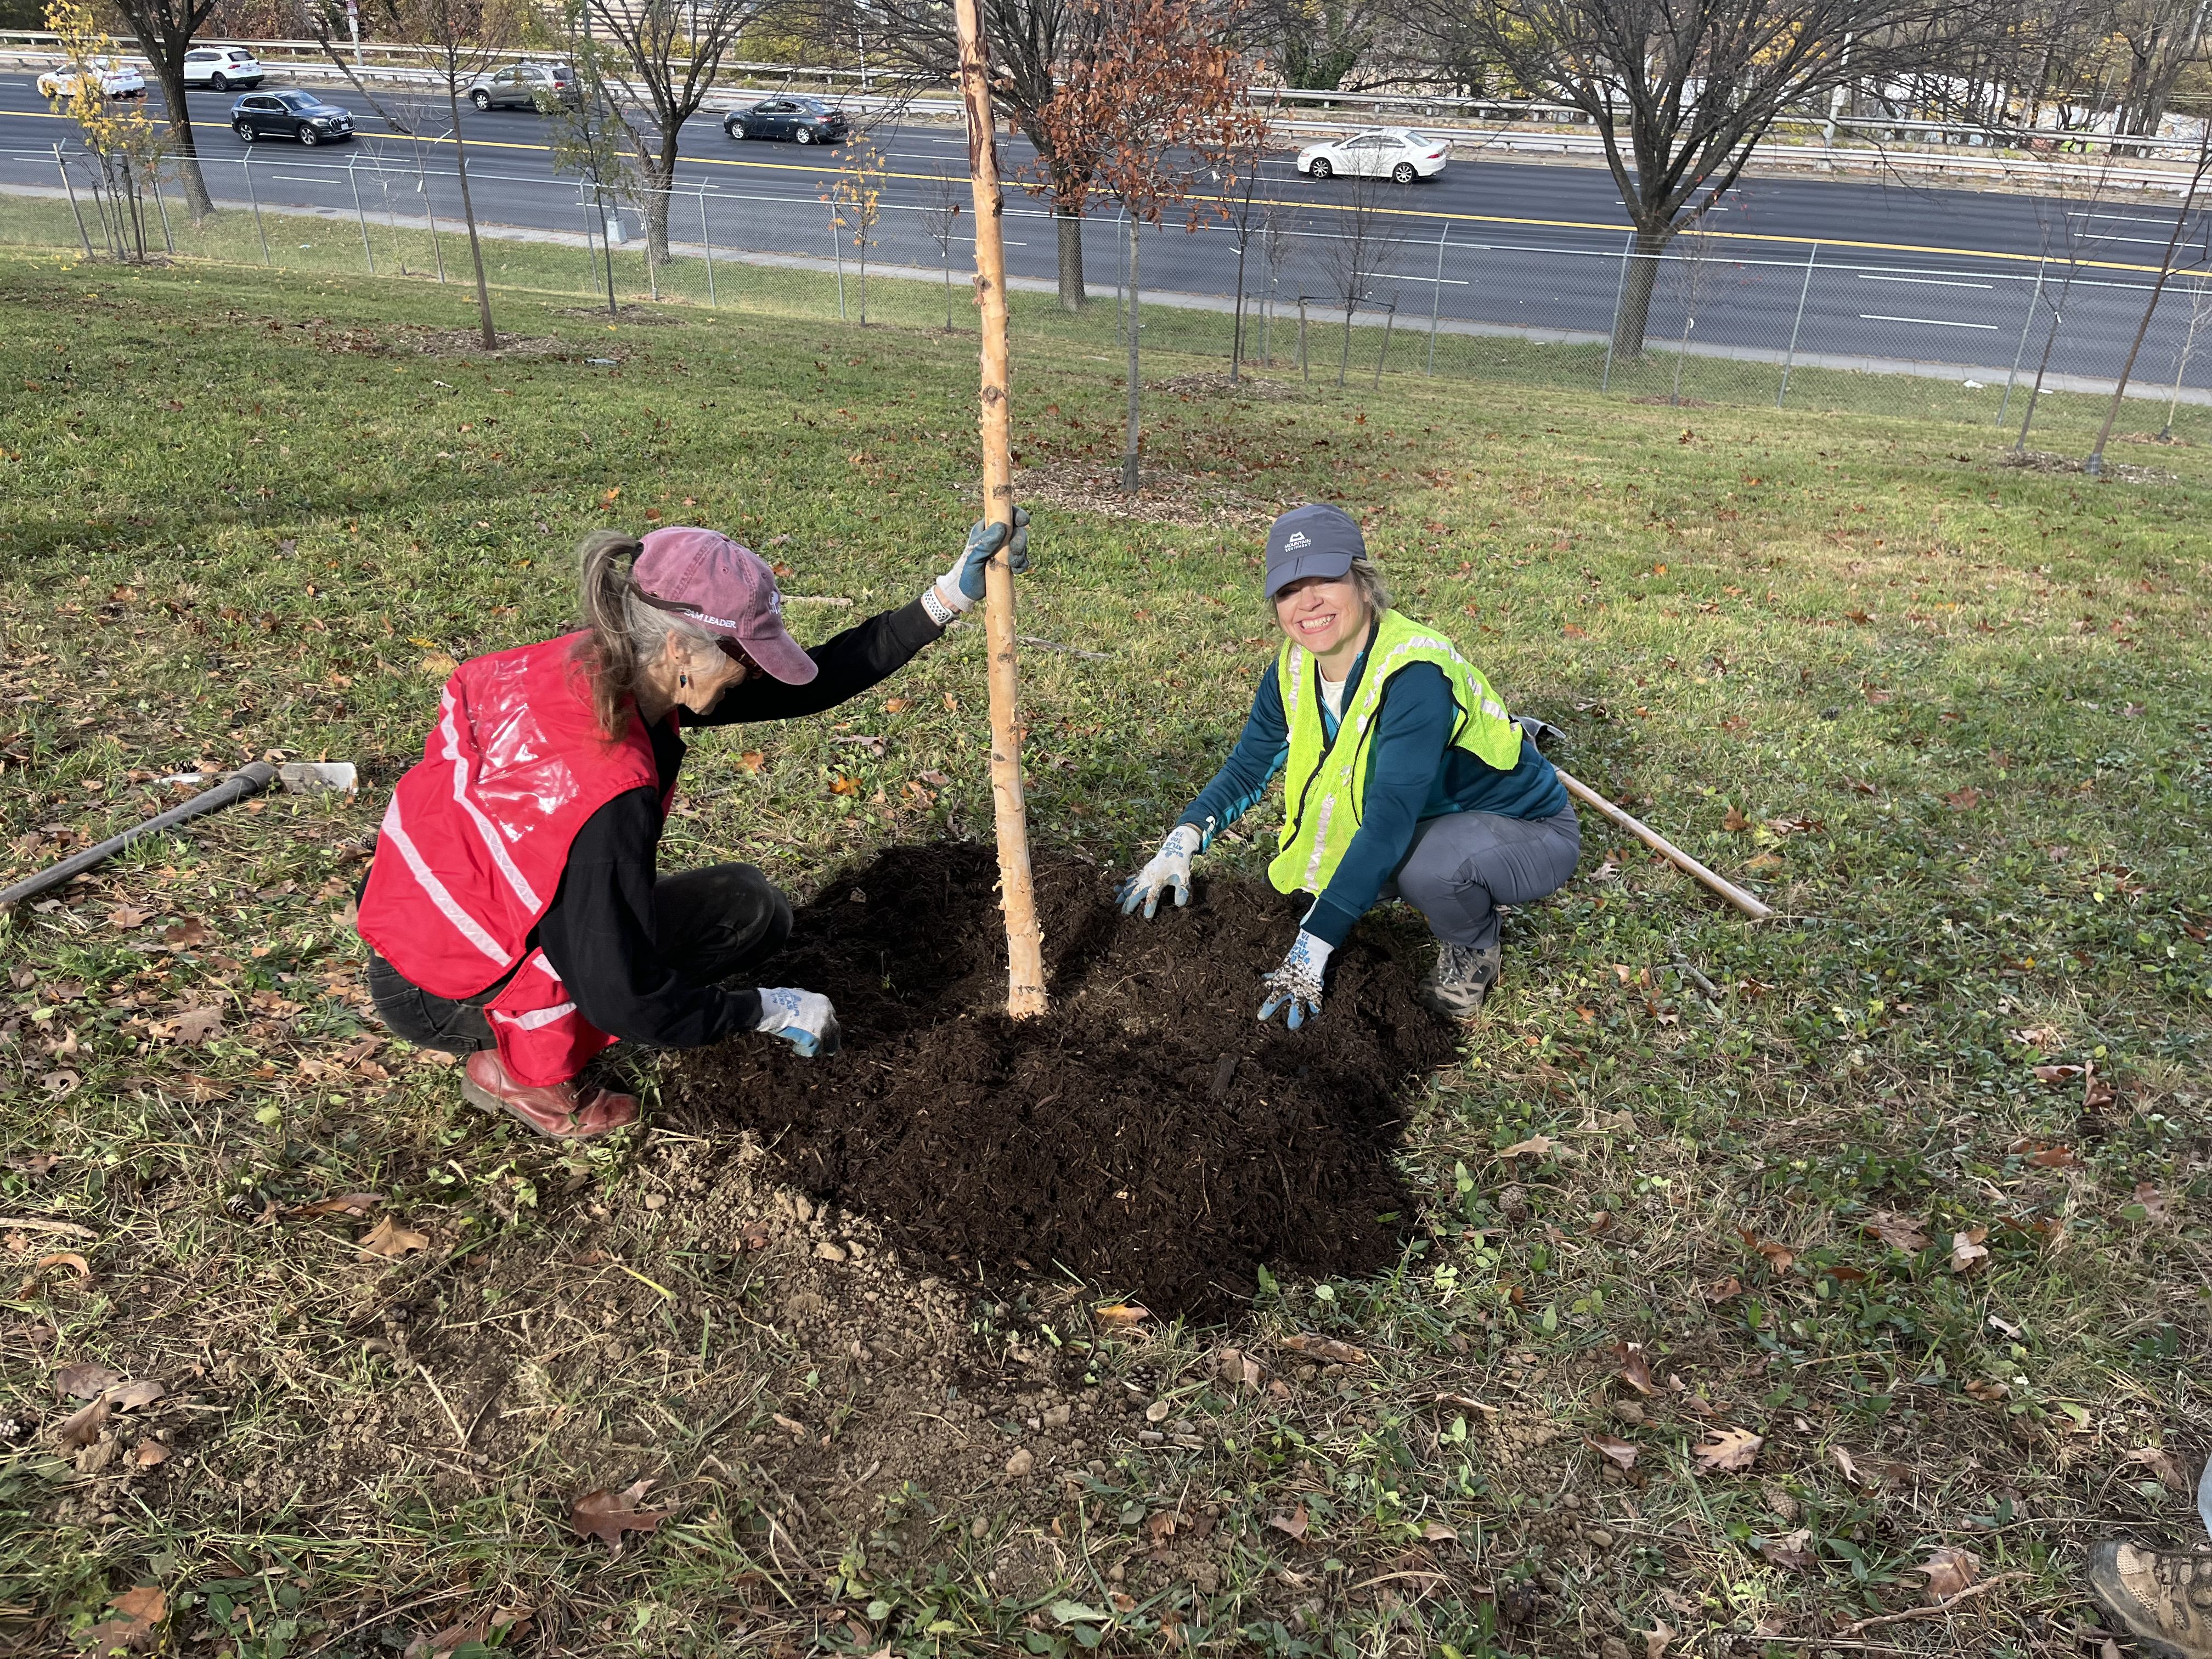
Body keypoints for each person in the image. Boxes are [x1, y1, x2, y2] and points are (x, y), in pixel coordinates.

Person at [356, 511, 1029, 1138]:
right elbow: (626, 999)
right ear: (681, 645)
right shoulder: (603, 787)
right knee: (637, 966)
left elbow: (809, 684)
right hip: (447, 986)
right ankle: (523, 1077)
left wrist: (947, 598)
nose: (751, 674)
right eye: (744, 657)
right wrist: (766, 1009)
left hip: (432, 919)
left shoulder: (602, 665)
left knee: (749, 908)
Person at [1118, 503, 1577, 1024]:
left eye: (1325, 579)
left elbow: (1388, 822)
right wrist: (1180, 843)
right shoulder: (1293, 671)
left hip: (1527, 831)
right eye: (1289, 590)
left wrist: (1313, 949)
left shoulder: (1415, 675)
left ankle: (1474, 948)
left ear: (1362, 582)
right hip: (1421, 816)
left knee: (1430, 870)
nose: (1307, 602)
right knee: (1320, 875)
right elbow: (1249, 768)